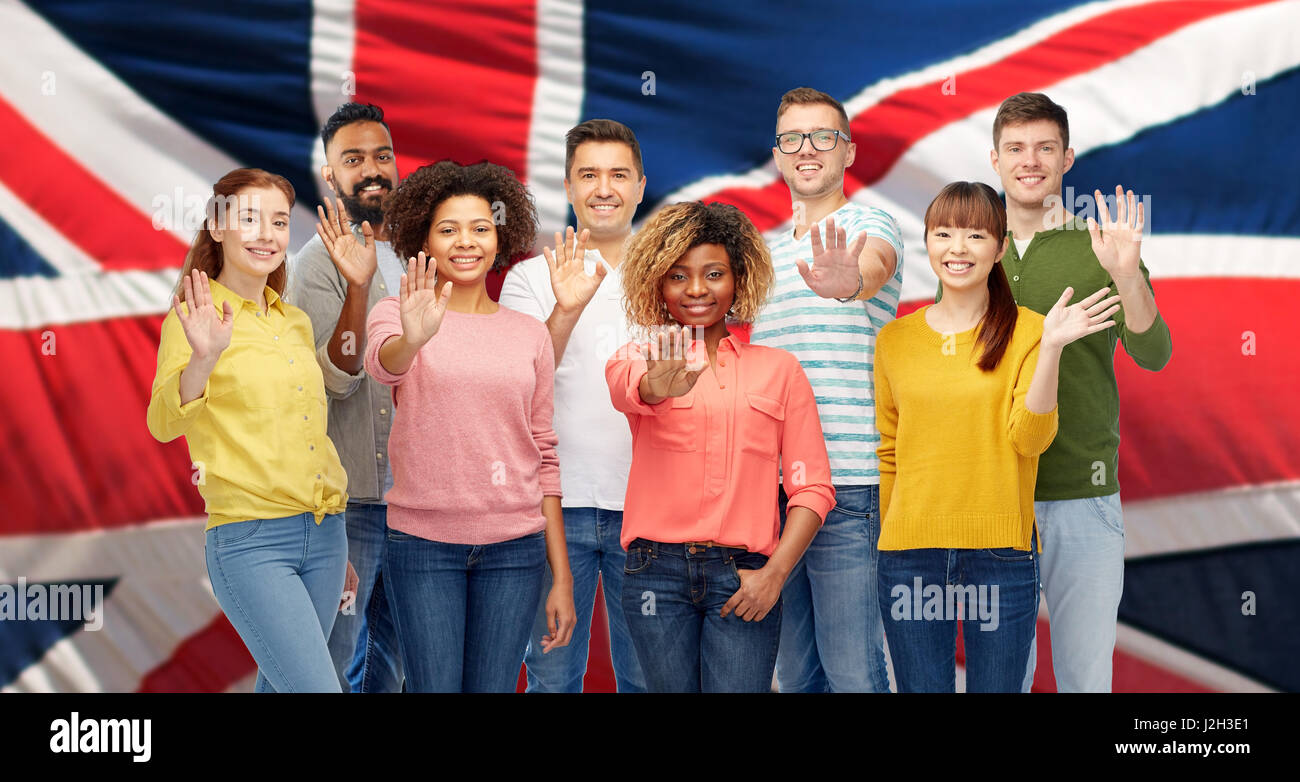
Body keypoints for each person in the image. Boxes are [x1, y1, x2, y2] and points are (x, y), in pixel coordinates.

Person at [876, 181, 1120, 692]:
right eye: (944, 233)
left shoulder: (1031, 330)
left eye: (975, 235)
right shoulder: (894, 340)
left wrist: (1051, 349)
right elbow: (890, 451)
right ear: (927, 241)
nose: (958, 248)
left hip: (1001, 554)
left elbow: (1030, 440)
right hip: (909, 555)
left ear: (1000, 247)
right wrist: (889, 540)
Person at [982, 92, 1173, 692]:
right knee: (1001, 679)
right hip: (992, 498)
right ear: (995, 160)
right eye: (1016, 148)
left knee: (1085, 678)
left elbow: (1154, 352)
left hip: (1082, 498)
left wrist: (1126, 275)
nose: (1030, 160)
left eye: (1045, 148)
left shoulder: (1103, 245)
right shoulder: (969, 249)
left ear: (1067, 159)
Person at [363, 160, 576, 692]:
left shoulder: (529, 335)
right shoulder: (398, 312)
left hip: (516, 550)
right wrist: (414, 338)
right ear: (424, 240)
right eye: (448, 229)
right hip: (423, 545)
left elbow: (544, 453)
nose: (466, 242)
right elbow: (383, 365)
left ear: (499, 238)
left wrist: (562, 577)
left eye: (481, 228)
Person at [605, 201, 835, 693]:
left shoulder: (780, 370)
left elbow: (813, 488)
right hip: (655, 574)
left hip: (744, 576)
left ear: (738, 279)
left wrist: (774, 575)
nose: (695, 289)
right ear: (657, 284)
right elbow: (632, 388)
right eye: (678, 276)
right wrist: (658, 383)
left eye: (713, 274)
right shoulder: (639, 356)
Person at [147, 168, 355, 693]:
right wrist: (203, 359)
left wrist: (336, 534)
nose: (267, 235)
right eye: (250, 219)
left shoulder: (293, 322)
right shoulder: (193, 318)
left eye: (279, 222)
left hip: (326, 535)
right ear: (217, 227)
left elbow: (310, 431)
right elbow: (163, 424)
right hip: (252, 540)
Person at [749, 87, 903, 693]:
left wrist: (849, 282)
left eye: (823, 136)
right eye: (792, 138)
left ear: (848, 152)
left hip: (849, 483)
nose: (806, 148)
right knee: (795, 676)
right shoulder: (761, 255)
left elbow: (874, 268)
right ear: (777, 155)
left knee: (854, 672)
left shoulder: (869, 225)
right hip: (774, 489)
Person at [499, 119, 648, 693]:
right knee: (553, 677)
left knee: (648, 679)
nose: (603, 188)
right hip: (551, 510)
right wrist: (565, 309)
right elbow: (517, 381)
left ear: (640, 185)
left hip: (650, 510)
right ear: (567, 186)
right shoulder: (530, 278)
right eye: (588, 175)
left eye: (618, 174)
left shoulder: (672, 276)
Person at [288, 102, 405, 693]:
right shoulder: (316, 263)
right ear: (330, 176)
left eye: (382, 155)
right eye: (353, 159)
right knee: (328, 666)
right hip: (348, 504)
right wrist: (358, 288)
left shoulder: (428, 253)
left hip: (418, 505)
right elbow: (335, 380)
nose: (372, 170)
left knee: (392, 671)